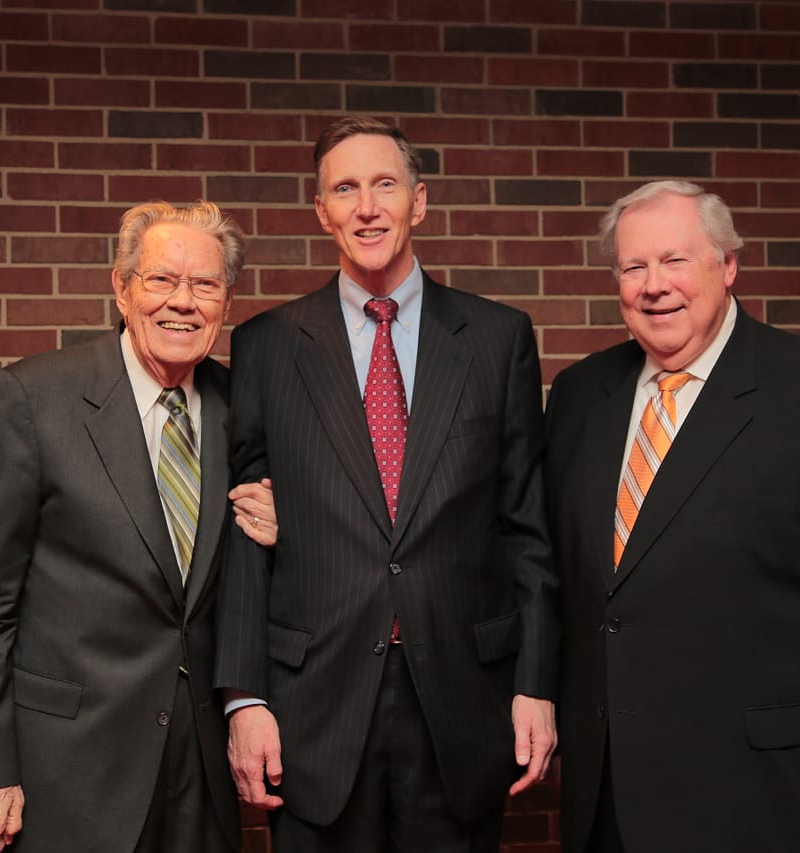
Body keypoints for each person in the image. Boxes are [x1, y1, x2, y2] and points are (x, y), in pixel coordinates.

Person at [544, 180, 800, 853]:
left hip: (768, 798)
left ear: (727, 266)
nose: (653, 284)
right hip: (608, 801)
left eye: (675, 260)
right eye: (633, 266)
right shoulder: (582, 395)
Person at [214, 116, 560, 853]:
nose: (366, 206)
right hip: (313, 709)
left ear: (419, 201)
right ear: (322, 211)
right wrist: (245, 697)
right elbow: (246, 533)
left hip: (464, 699)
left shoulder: (498, 340)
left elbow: (524, 526)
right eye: (345, 188)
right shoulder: (267, 347)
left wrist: (536, 682)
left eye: (384, 185)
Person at [0, 200, 277, 853]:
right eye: (160, 279)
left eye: (205, 284)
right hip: (69, 769)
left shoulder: (244, 407)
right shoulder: (32, 400)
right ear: (121, 288)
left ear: (227, 304)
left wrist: (285, 525)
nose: (182, 302)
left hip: (202, 770)